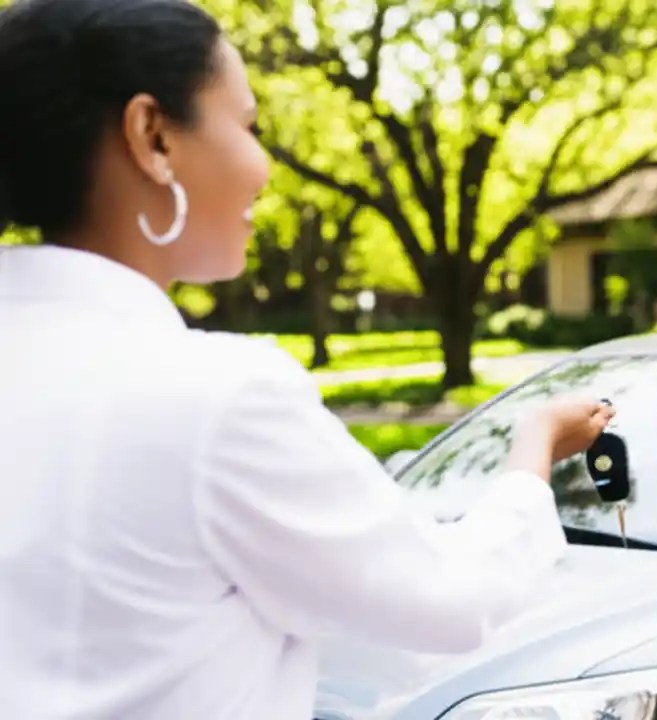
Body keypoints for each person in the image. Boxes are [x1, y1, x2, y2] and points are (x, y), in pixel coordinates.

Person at [0, 1, 614, 718]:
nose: (263, 170)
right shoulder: (219, 399)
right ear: (152, 135)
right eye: (247, 125)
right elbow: (445, 604)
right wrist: (533, 451)